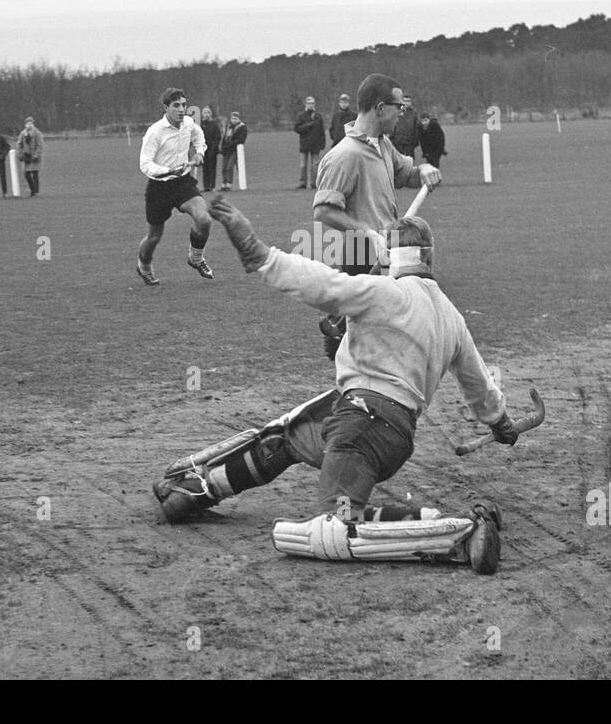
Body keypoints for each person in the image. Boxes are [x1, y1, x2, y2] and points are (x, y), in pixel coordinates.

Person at [154, 201, 517, 573]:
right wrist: (500, 422)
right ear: (429, 257)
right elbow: (479, 385)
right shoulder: (451, 316)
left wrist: (260, 254)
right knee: (285, 440)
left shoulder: (385, 292)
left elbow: (322, 284)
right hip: (381, 430)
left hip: (361, 426)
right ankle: (202, 488)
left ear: (390, 256)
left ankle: (464, 535)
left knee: (335, 526)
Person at [313, 73, 441, 357]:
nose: (403, 113)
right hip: (361, 254)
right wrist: (369, 232)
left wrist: (424, 171)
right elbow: (323, 210)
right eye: (399, 106)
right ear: (380, 108)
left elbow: (404, 173)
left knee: (387, 337)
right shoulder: (344, 156)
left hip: (387, 252)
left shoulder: (382, 144)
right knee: (357, 346)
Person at [135, 87, 215, 285]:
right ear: (166, 108)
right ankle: (144, 266)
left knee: (204, 219)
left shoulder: (188, 123)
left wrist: (199, 154)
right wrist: (167, 171)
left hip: (183, 184)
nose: (181, 109)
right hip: (159, 187)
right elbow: (145, 164)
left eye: (184, 105)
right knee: (154, 236)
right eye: (176, 105)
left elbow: (199, 137)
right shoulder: (155, 132)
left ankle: (196, 258)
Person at [293, 96, 326, 189]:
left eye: (312, 103)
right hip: (304, 144)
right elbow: (297, 128)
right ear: (306, 104)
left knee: (315, 166)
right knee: (303, 165)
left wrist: (322, 143)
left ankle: (314, 183)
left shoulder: (318, 116)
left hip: (315, 145)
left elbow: (322, 131)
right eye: (309, 103)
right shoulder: (301, 116)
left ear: (314, 104)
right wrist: (307, 126)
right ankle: (303, 183)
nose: (310, 105)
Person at [219, 110, 247, 191]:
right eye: (232, 118)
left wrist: (230, 144)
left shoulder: (242, 127)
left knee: (229, 167)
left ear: (239, 119)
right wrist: (223, 147)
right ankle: (223, 184)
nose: (234, 120)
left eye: (236, 118)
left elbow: (241, 139)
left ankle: (228, 183)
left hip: (234, 150)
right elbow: (224, 138)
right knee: (224, 167)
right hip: (226, 150)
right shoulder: (229, 127)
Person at [16, 116, 43, 197]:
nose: (29, 125)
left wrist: (36, 155)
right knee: (26, 174)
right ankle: (32, 189)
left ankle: (35, 191)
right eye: (28, 123)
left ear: (33, 124)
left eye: (31, 123)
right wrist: (20, 154)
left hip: (35, 156)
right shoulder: (22, 133)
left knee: (35, 174)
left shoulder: (37, 133)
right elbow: (19, 144)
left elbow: (40, 145)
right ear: (25, 125)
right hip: (26, 156)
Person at [198, 106, 221, 192]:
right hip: (204, 151)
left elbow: (217, 137)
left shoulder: (214, 125)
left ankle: (212, 186)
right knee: (205, 169)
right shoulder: (201, 125)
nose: (206, 115)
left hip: (212, 150)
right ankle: (206, 186)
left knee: (212, 169)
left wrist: (213, 148)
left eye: (208, 113)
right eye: (205, 113)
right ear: (202, 114)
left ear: (210, 114)